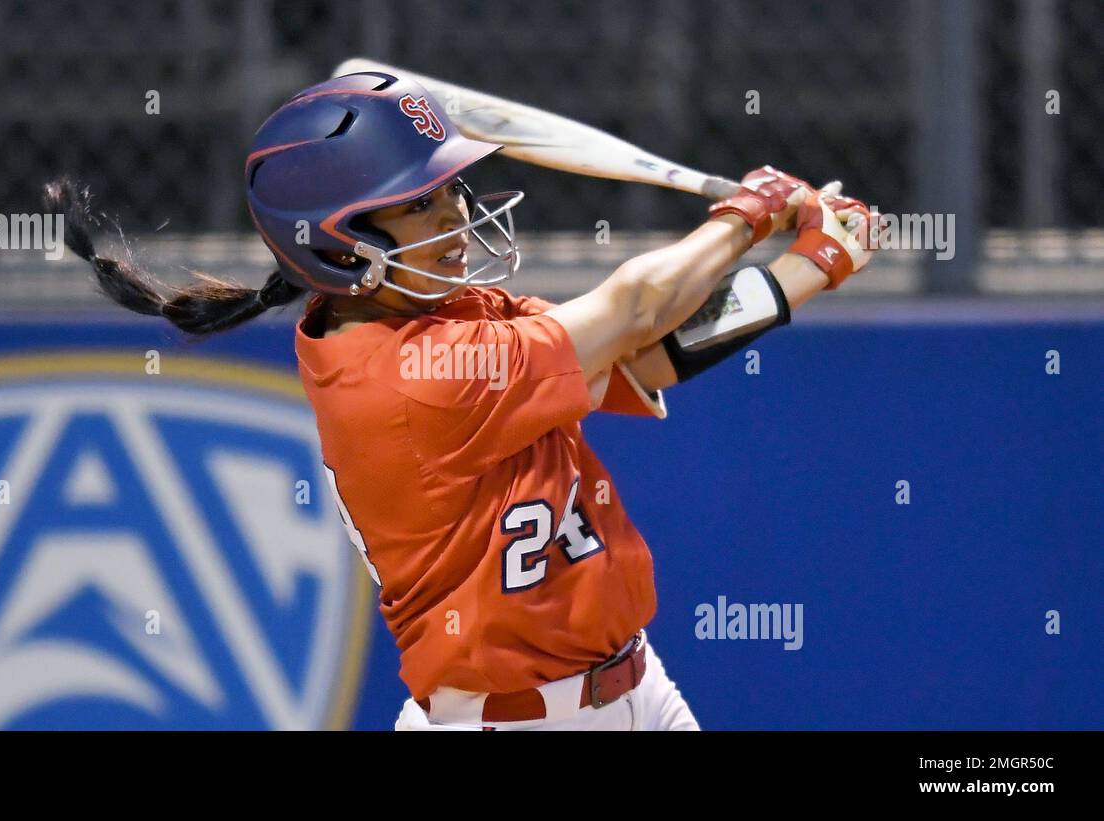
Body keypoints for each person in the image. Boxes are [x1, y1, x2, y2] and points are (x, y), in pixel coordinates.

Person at [46, 71, 876, 730]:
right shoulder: (414, 380)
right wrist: (744, 215)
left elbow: (643, 354)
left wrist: (817, 263)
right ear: (341, 247)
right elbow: (631, 306)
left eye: (446, 191)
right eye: (421, 203)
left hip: (637, 690)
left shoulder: (439, 316)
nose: (454, 214)